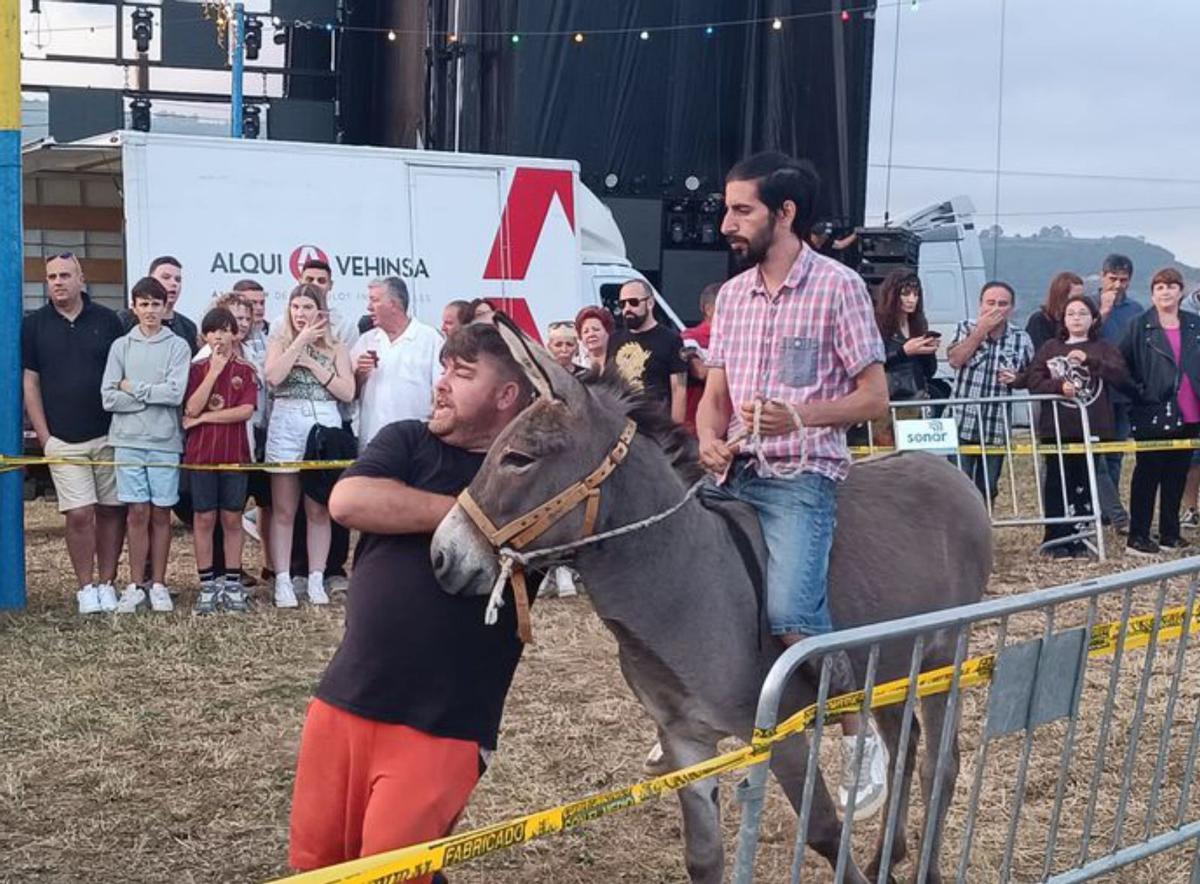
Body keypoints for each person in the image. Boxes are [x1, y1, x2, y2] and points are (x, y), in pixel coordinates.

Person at [289, 323, 536, 877]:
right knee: (315, 868)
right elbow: (349, 500)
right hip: (345, 699)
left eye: (462, 373)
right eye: (444, 368)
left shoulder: (532, 481)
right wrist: (473, 519)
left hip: (444, 723)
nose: (441, 383)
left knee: (390, 874)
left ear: (507, 396)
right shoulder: (407, 440)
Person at [696, 151, 889, 816]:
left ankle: (860, 735)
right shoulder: (730, 298)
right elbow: (712, 394)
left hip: (802, 476)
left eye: (741, 208)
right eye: (727, 207)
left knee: (792, 618)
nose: (727, 222)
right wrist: (706, 436)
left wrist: (800, 415)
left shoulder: (839, 288)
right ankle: (695, 725)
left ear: (785, 213)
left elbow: (874, 399)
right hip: (730, 474)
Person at [22, 253, 126, 614]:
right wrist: (44, 436)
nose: (58, 282)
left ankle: (107, 584)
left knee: (112, 511)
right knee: (80, 514)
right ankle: (85, 588)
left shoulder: (108, 321)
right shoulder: (34, 325)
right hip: (63, 439)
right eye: (51, 277)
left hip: (108, 435)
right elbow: (30, 382)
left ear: (82, 279)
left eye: (65, 275)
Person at [101, 277, 192, 613]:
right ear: (134, 306)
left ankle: (159, 584)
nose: (151, 311)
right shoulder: (120, 347)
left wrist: (134, 388)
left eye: (156, 304)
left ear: (164, 306)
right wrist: (147, 396)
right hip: (127, 441)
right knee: (136, 512)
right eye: (144, 304)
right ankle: (136, 584)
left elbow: (174, 394)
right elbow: (109, 396)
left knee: (161, 513)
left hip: (165, 442)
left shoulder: (178, 346)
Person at [264, 284, 355, 607]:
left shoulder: (338, 348)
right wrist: (299, 343)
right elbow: (273, 377)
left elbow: (347, 392)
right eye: (295, 307)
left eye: (307, 307)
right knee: (284, 509)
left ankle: (317, 577)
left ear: (321, 311)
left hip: (324, 424)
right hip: (286, 420)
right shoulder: (279, 342)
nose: (301, 314)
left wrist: (315, 364)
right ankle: (284, 579)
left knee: (318, 508)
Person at [1025, 295, 1132, 558]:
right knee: (1056, 482)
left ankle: (1081, 538)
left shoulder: (1103, 347)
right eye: (1071, 313)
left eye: (1082, 313)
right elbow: (1033, 379)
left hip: (1092, 426)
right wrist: (1058, 387)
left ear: (1093, 318)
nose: (1076, 318)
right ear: (1063, 319)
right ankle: (1055, 539)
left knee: (1086, 481)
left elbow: (1120, 375)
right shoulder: (1051, 347)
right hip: (1056, 427)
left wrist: (1089, 361)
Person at [1119, 268, 1200, 556]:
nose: (1166, 292)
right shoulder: (1139, 326)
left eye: (1171, 286)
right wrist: (1140, 394)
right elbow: (1121, 365)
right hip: (1153, 411)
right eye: (1160, 287)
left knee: (1177, 474)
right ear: (1152, 293)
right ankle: (1138, 535)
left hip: (1191, 411)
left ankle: (1170, 533)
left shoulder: (1194, 324)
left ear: (1181, 291)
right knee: (1147, 474)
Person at [183, 307, 258, 613]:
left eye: (225, 330)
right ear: (205, 336)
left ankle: (231, 581)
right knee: (203, 518)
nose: (219, 336)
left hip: (234, 455)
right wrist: (214, 371)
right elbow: (191, 408)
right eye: (213, 331)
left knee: (231, 518)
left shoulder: (245, 370)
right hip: (202, 456)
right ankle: (207, 584)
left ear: (234, 334)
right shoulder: (197, 369)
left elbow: (245, 411)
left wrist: (204, 420)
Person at [947, 281, 1035, 502]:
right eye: (990, 303)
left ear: (1011, 308)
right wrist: (979, 333)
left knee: (988, 487)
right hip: (961, 422)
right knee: (958, 488)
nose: (996, 308)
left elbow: (1032, 376)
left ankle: (983, 531)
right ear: (980, 305)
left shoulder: (1021, 338)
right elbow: (956, 360)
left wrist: (1017, 379)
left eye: (1002, 303)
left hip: (996, 426)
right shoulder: (964, 328)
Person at [349, 277, 441, 448]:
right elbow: (348, 395)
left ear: (393, 304)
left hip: (418, 444)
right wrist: (360, 374)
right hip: (373, 444)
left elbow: (441, 391)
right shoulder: (365, 341)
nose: (368, 307)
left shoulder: (430, 339)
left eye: (374, 300)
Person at [233, 279, 275, 580]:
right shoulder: (213, 348)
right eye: (248, 307)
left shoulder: (268, 339)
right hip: (234, 433)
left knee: (267, 502)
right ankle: (231, 567)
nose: (255, 311)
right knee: (233, 503)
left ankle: (270, 564)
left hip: (265, 430)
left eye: (259, 304)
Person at [1096, 253, 1142, 524]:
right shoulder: (1089, 305)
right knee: (1097, 456)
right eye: (1113, 279)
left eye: (1123, 280)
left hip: (1123, 392)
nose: (1117, 285)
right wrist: (1103, 310)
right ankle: (1107, 508)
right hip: (1096, 392)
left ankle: (1108, 512)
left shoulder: (1136, 310)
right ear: (1103, 276)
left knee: (1115, 455)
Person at [874, 269, 939, 445]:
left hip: (916, 399)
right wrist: (903, 352)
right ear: (893, 295)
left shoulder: (919, 324)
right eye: (905, 294)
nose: (912, 299)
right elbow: (872, 363)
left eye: (916, 294)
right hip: (888, 403)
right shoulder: (876, 324)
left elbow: (930, 372)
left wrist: (929, 351)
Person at [609, 280, 687, 423]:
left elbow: (679, 389)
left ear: (650, 303)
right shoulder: (614, 340)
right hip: (622, 423)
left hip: (656, 425)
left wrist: (675, 432)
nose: (627, 308)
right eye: (622, 304)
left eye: (633, 302)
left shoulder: (671, 340)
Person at [119, 256, 200, 355]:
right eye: (166, 277)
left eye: (178, 279)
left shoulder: (188, 327)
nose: (173, 283)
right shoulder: (124, 320)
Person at [681, 283, 719, 435]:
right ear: (709, 309)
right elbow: (700, 372)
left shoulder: (737, 339)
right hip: (696, 425)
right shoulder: (690, 337)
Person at [1026, 272, 1083, 352]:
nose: (1079, 302)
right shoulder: (1040, 321)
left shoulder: (1079, 321)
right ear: (1061, 296)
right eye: (1074, 298)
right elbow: (1041, 352)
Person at [575, 306, 614, 373]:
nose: (591, 334)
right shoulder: (576, 369)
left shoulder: (621, 362)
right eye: (586, 332)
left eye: (596, 329)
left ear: (608, 332)